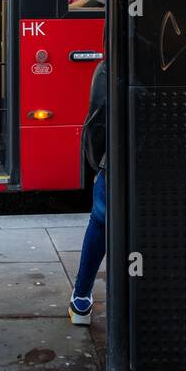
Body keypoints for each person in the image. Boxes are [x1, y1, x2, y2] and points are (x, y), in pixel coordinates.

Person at [69, 60, 106, 324]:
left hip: (118, 165)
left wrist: (99, 166)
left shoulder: (109, 69)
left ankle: (81, 299)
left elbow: (96, 126)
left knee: (101, 221)